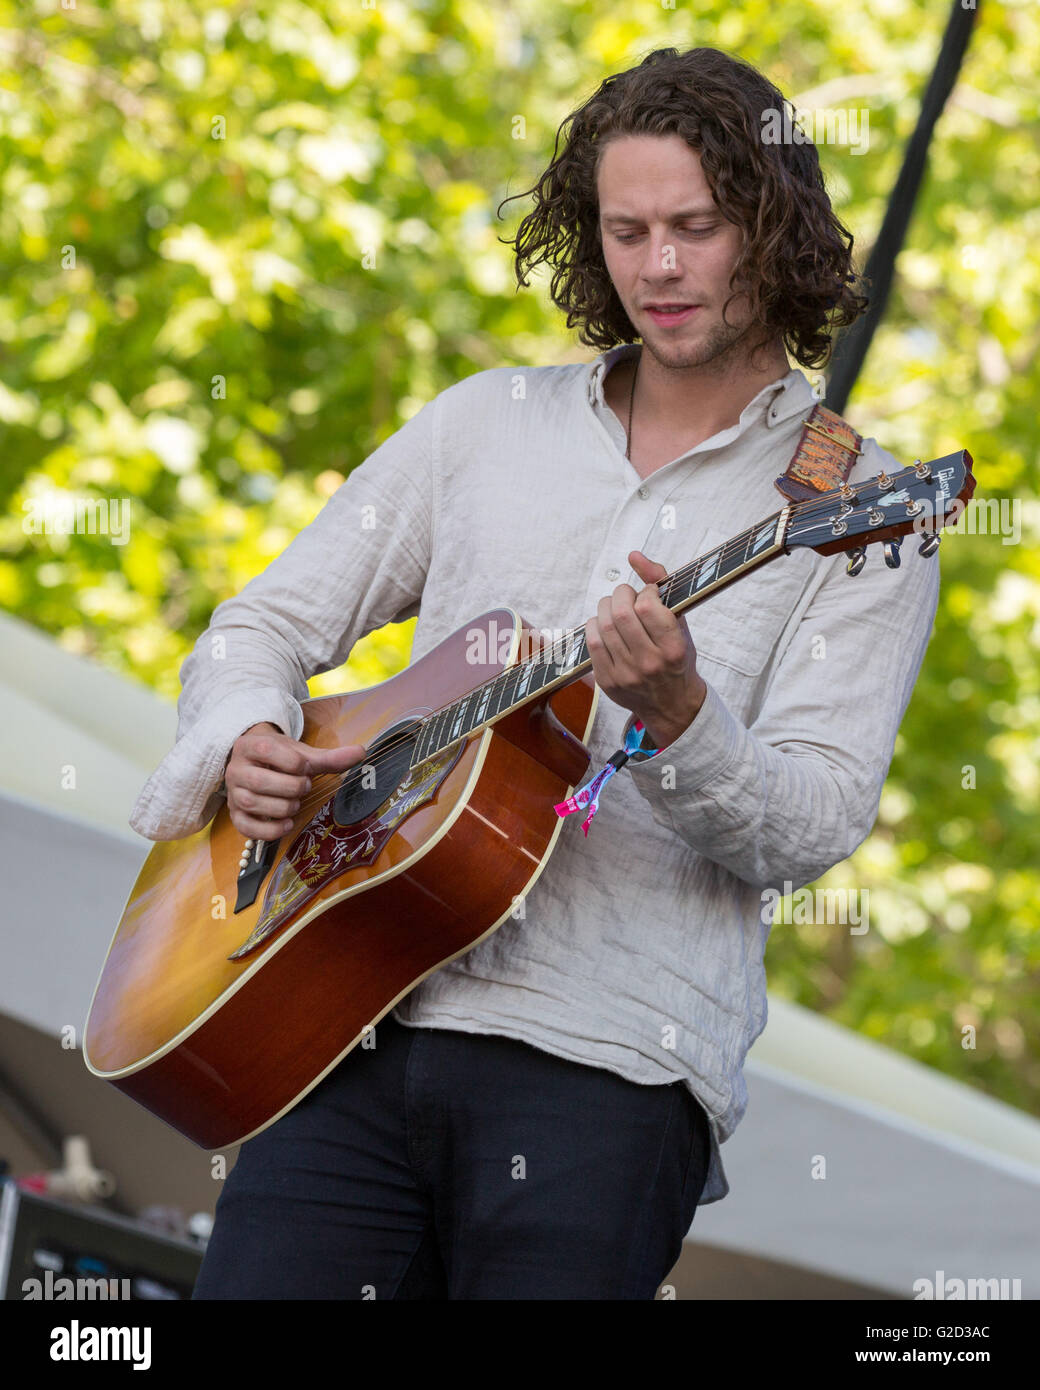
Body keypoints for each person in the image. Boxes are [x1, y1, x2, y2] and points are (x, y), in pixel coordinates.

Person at [130, 46, 940, 1299]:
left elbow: (816, 817)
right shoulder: (481, 423)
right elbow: (259, 626)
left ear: (769, 228)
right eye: (625, 231)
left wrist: (680, 716)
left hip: (606, 1071)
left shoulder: (854, 500)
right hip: (344, 1017)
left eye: (694, 227)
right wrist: (244, 732)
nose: (656, 267)